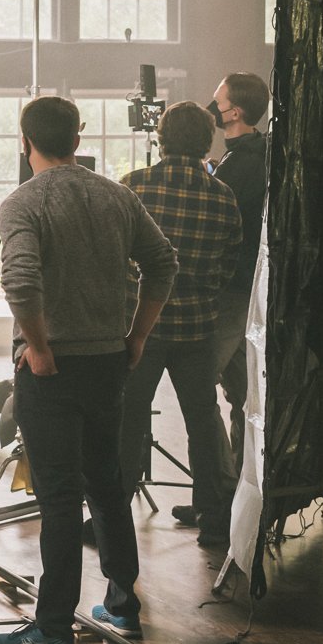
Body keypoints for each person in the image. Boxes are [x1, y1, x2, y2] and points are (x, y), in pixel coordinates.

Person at [0, 97, 176, 644]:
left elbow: (19, 281)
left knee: (61, 496)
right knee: (107, 484)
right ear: (78, 137)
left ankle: (52, 631)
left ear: (26, 141)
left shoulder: (23, 202)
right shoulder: (117, 195)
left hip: (53, 367)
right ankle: (122, 605)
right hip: (107, 361)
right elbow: (164, 262)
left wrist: (40, 348)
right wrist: (137, 335)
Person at [121, 102, 241, 546]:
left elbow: (116, 255)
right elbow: (229, 265)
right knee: (202, 424)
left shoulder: (133, 187)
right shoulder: (222, 195)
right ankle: (214, 519)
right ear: (207, 143)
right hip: (198, 327)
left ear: (161, 138)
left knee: (128, 422)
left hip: (140, 328)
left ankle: (113, 518)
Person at [206, 71, 268, 493]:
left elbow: (222, 219)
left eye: (219, 99)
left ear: (236, 111)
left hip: (232, 292)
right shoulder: (244, 157)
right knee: (243, 397)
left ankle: (219, 490)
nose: (213, 104)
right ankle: (234, 489)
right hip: (243, 289)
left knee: (201, 390)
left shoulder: (247, 160)